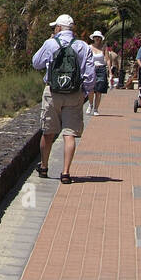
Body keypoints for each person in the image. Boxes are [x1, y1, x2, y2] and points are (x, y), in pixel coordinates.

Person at [31, 14, 96, 184]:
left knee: (48, 132)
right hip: (74, 93)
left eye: (55, 27)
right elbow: (90, 75)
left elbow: (36, 63)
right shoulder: (83, 46)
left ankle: (44, 166)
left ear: (59, 28)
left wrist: (49, 42)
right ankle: (66, 172)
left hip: (53, 92)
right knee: (69, 134)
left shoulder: (51, 43)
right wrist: (86, 93)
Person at [87, 31, 109, 115]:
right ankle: (90, 104)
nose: (97, 38)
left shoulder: (104, 47)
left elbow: (107, 59)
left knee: (99, 91)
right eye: (96, 37)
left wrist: (110, 71)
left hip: (101, 69)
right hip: (91, 69)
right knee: (91, 89)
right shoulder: (89, 47)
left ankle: (96, 109)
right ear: (93, 38)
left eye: (99, 37)